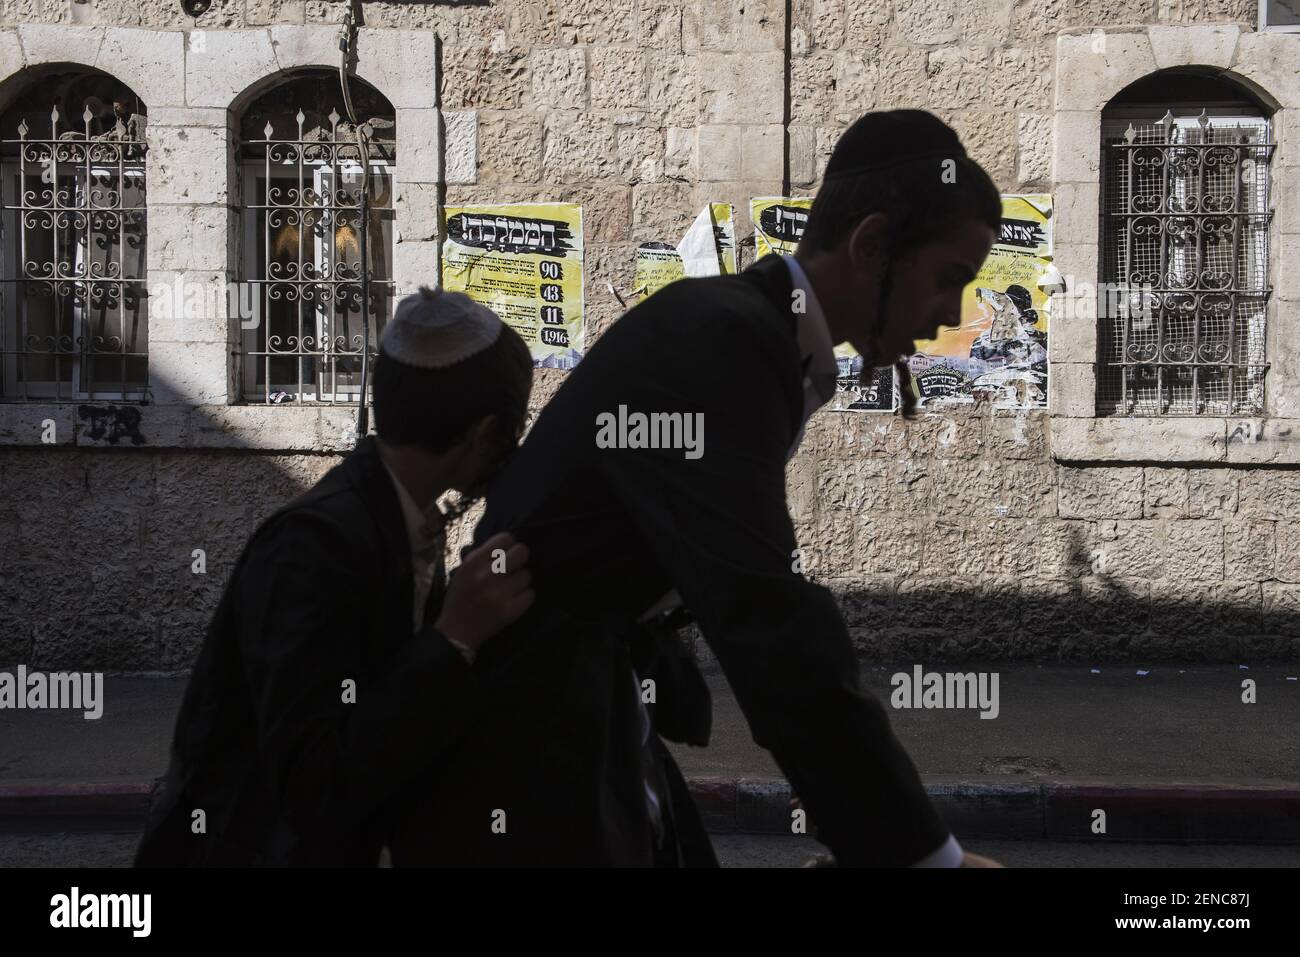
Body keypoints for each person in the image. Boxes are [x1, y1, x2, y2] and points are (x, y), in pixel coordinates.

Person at [390, 110, 1004, 867]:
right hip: (533, 760)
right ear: (871, 244)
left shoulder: (746, 333)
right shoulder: (729, 343)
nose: (954, 314)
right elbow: (765, 617)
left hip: (583, 723)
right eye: (950, 279)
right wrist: (920, 856)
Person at [135, 287, 535, 866]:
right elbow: (315, 787)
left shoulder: (397, 520)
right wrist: (455, 639)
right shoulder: (312, 548)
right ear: (484, 435)